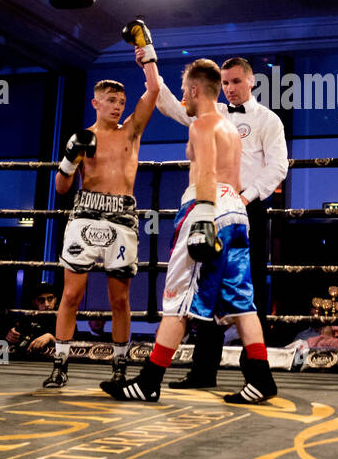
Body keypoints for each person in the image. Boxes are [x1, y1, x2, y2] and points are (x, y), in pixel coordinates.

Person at [102, 57, 276, 405]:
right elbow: (237, 181)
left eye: (185, 91)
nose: (183, 96)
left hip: (206, 208)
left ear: (195, 90)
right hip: (238, 213)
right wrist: (148, 60)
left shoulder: (203, 126)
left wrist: (203, 221)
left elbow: (207, 171)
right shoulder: (228, 127)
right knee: (242, 302)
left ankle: (150, 380)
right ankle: (260, 378)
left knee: (178, 301)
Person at [149, 49, 288, 389]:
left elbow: (278, 167)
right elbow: (168, 103)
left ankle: (153, 378)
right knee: (234, 296)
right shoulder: (215, 114)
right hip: (230, 207)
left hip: (238, 204)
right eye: (224, 82)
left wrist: (240, 197)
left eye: (236, 81)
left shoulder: (265, 120)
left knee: (224, 291)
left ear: (252, 81)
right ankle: (211, 371)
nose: (230, 88)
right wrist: (149, 64)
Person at [44, 44, 158, 389]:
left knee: (120, 299)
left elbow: (153, 90)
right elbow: (61, 188)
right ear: (96, 103)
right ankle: (59, 364)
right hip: (85, 214)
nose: (118, 107)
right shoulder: (83, 138)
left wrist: (147, 56)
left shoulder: (131, 132)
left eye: (121, 102)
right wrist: (68, 160)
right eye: (111, 101)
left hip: (121, 216)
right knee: (70, 296)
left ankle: (119, 365)